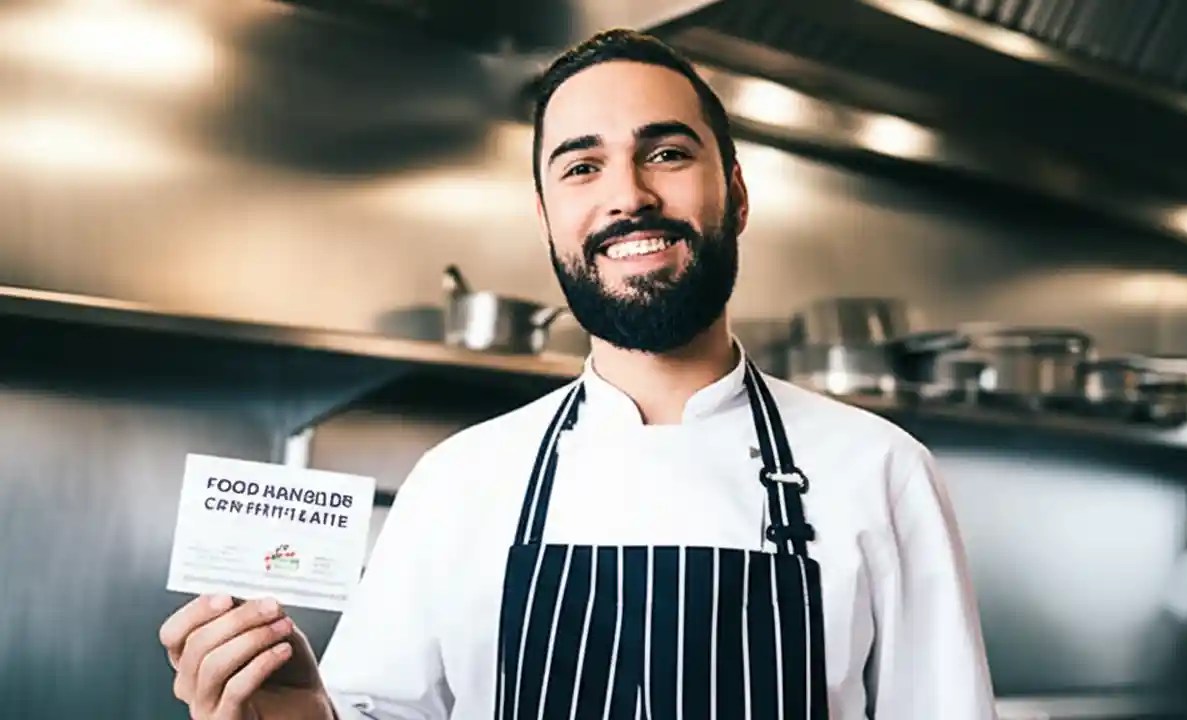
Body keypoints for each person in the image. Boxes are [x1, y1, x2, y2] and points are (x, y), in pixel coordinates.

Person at [158, 28, 996, 720]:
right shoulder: (460, 480)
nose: (627, 195)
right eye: (582, 166)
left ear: (735, 195)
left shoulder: (880, 471)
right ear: (549, 218)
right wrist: (304, 716)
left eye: (666, 153)